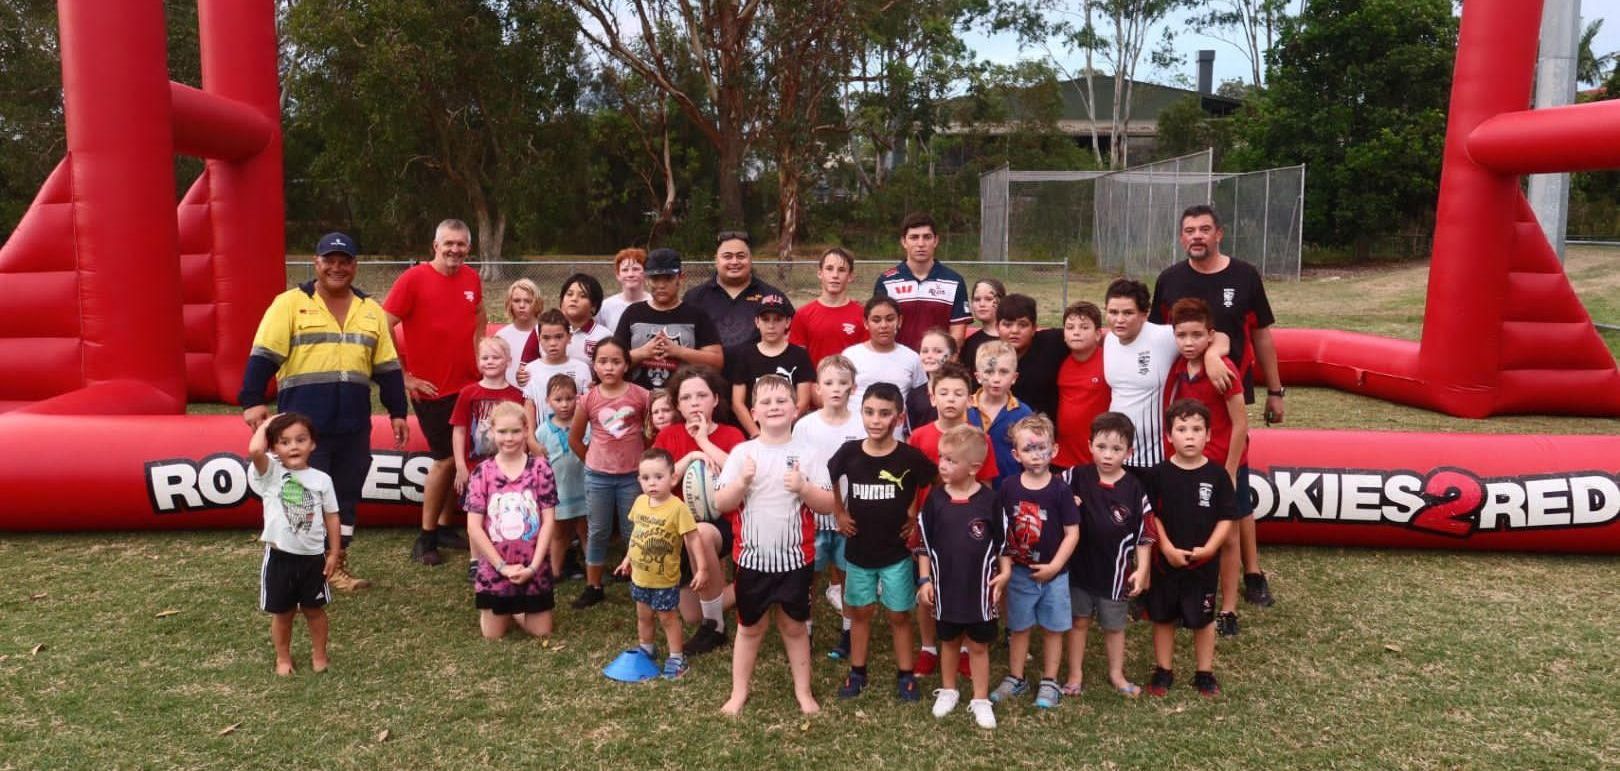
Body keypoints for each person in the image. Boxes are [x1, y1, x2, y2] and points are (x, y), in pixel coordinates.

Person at [242, 231, 407, 591]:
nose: (337, 267)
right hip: (302, 427)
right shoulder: (289, 304)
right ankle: (300, 566)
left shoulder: (370, 310)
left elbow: (388, 367)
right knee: (301, 495)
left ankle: (337, 562)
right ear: (315, 263)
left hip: (353, 424)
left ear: (355, 266)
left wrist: (397, 411)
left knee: (344, 495)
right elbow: (263, 355)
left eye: (344, 261)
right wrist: (252, 400)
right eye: (329, 260)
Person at [1150, 204, 1281, 608]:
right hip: (1186, 396)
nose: (1197, 236)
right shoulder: (1170, 279)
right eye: (1189, 230)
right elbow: (1159, 335)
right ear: (1181, 236)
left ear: (1219, 234)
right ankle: (1181, 572)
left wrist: (1275, 390)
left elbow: (1260, 335)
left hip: (1226, 392)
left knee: (1236, 499)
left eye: (1204, 229)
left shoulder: (1244, 275)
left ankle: (1253, 573)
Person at [712, 375, 834, 716]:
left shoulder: (810, 454)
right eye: (765, 402)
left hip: (795, 560)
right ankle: (738, 692)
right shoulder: (743, 453)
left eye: (782, 400)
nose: (774, 406)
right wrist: (742, 482)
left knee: (795, 626)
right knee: (750, 627)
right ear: (753, 413)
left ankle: (803, 691)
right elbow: (720, 502)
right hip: (752, 560)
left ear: (796, 409)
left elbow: (828, 505)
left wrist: (804, 488)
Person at [828, 383, 937, 703]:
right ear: (861, 413)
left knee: (898, 615)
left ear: (899, 417)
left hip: (896, 553)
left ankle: (905, 674)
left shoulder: (909, 457)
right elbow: (832, 475)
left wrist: (914, 515)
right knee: (860, 612)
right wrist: (839, 511)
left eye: (885, 413)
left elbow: (929, 481)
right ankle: (857, 671)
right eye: (869, 412)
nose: (876, 420)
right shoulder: (849, 452)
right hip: (859, 551)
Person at [385, 219, 485, 568]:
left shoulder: (471, 278)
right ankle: (425, 537)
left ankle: (443, 527)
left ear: (468, 248)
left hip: (467, 385)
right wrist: (404, 376)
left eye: (461, 244)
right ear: (435, 245)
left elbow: (479, 315)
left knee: (461, 454)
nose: (455, 250)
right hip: (432, 389)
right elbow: (383, 325)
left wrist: (480, 354)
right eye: (449, 243)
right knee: (445, 459)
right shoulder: (413, 279)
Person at [906, 360, 999, 677]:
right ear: (932, 397)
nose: (950, 399)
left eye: (958, 393)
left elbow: (986, 485)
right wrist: (912, 520)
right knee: (927, 589)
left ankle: (964, 648)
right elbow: (911, 485)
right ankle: (928, 647)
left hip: (969, 530)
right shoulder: (919, 437)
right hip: (930, 527)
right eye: (943, 392)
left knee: (966, 586)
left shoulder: (979, 440)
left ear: (970, 399)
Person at [1165, 298, 1249, 637]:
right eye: (1181, 335)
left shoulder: (1222, 367)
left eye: (1197, 335)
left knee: (1228, 537)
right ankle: (1188, 601)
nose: (1188, 342)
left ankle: (1228, 609)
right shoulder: (1177, 368)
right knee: (1190, 533)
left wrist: (1230, 471)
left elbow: (1240, 424)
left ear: (1210, 336)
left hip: (1222, 467)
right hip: (1188, 466)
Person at [916, 424, 1008, 729]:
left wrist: (1005, 572)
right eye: (941, 457)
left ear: (974, 468)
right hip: (945, 589)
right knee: (949, 641)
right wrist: (925, 580)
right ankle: (949, 690)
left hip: (980, 590)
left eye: (951, 460)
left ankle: (980, 699)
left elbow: (1003, 544)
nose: (942, 464)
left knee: (978, 646)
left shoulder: (990, 501)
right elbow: (924, 545)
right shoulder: (935, 500)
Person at [1143, 399, 1237, 698]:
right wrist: (1167, 547)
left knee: (1203, 619)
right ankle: (1163, 670)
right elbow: (1151, 516)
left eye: (1197, 429)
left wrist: (1210, 548)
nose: (1189, 436)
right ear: (1168, 435)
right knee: (1163, 617)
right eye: (1182, 429)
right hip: (1165, 562)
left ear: (1208, 435)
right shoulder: (1158, 475)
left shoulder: (1218, 475)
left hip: (1203, 565)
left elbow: (1226, 517)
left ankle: (1204, 673)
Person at [988, 415, 1080, 710]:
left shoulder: (1061, 490)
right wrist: (1005, 567)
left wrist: (1055, 567)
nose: (1036, 455)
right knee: (1019, 627)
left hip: (1055, 576)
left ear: (1054, 450)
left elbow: (1072, 533)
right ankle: (1016, 677)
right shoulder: (1008, 488)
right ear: (1016, 455)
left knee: (1053, 628)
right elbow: (1002, 531)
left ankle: (1050, 680)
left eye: (1042, 448)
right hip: (1020, 573)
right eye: (1028, 449)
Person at [652, 365, 746, 655]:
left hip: (722, 524)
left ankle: (715, 627)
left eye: (702, 395)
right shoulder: (669, 436)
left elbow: (741, 474)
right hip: (678, 528)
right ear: (678, 405)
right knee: (692, 614)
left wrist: (704, 440)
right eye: (686, 397)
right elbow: (658, 482)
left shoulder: (731, 434)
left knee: (701, 533)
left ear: (715, 399)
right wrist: (693, 454)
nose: (694, 403)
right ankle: (751, 587)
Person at [1063, 412, 1153, 697]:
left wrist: (1142, 569)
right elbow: (1048, 498)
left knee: (1114, 627)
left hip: (1115, 574)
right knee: (1078, 621)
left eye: (1116, 449)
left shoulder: (1134, 487)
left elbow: (1144, 533)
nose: (1107, 455)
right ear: (1090, 445)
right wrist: (1065, 501)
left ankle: (1117, 674)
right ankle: (1075, 674)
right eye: (1101, 447)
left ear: (1129, 452)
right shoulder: (1074, 476)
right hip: (1078, 570)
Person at [1103, 278, 1231, 474]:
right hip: (1118, 454)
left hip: (1156, 457)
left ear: (1144, 314)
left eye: (1128, 313)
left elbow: (1219, 336)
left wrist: (1212, 355)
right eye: (1113, 312)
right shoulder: (1110, 339)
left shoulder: (1163, 337)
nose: (1119, 320)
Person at [248, 412, 340, 676]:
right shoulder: (270, 474)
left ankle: (319, 655)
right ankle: (283, 658)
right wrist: (268, 423)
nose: (294, 446)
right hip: (280, 558)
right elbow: (255, 450)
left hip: (313, 558)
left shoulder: (322, 479)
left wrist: (333, 552)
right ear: (274, 448)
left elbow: (332, 516)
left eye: (301, 439)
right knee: (283, 613)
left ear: (313, 443)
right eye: (284, 441)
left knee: (314, 610)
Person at [792, 354, 868, 660]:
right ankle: (806, 630)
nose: (836, 388)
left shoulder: (862, 424)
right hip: (812, 514)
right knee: (807, 576)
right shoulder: (805, 425)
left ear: (853, 387)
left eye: (842, 382)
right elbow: (797, 468)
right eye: (829, 382)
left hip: (849, 516)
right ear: (817, 388)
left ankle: (848, 632)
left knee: (848, 576)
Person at [464, 402, 559, 643]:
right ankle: (505, 608)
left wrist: (533, 567)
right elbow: (474, 526)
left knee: (542, 632)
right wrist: (502, 567)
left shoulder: (541, 468)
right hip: (495, 568)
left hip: (533, 566)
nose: (509, 438)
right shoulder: (482, 473)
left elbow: (548, 521)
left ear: (526, 430)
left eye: (516, 431)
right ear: (492, 432)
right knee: (492, 635)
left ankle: (517, 610)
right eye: (503, 432)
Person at [614, 448, 712, 680]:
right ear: (639, 480)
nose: (652, 483)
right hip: (640, 577)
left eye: (659, 477)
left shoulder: (678, 508)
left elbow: (693, 538)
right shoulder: (640, 502)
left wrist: (702, 568)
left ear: (673, 477)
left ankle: (677, 658)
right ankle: (646, 649)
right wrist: (628, 558)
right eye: (646, 478)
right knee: (643, 615)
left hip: (664, 580)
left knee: (667, 617)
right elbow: (637, 534)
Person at [569, 338, 651, 609]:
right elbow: (575, 439)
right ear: (594, 365)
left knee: (633, 530)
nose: (609, 367)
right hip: (598, 477)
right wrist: (592, 462)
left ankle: (639, 581)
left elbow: (651, 431)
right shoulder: (588, 399)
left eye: (616, 361)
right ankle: (593, 586)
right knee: (598, 530)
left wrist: (644, 461)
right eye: (603, 361)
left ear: (627, 365)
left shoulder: (641, 396)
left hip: (632, 476)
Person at [451, 336, 540, 580]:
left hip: (509, 465)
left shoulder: (517, 395)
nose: (490, 362)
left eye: (496, 357)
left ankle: (506, 553)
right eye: (485, 358)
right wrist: (460, 465)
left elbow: (525, 430)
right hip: (475, 464)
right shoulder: (468, 393)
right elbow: (459, 430)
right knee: (476, 512)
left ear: (508, 361)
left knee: (503, 508)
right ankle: (475, 559)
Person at [616, 248, 724, 391]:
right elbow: (612, 360)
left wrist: (678, 351)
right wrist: (643, 352)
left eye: (668, 278)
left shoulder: (696, 315)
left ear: (680, 278)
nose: (661, 285)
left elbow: (717, 362)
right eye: (655, 279)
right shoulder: (633, 313)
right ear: (647, 280)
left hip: (683, 398)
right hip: (638, 397)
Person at [873, 212, 972, 350]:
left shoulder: (954, 281)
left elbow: (958, 333)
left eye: (927, 237)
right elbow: (878, 329)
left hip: (938, 362)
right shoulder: (886, 281)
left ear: (935, 241)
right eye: (914, 237)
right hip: (898, 362)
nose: (921, 244)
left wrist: (941, 360)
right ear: (904, 242)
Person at [684, 230, 793, 349]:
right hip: (708, 361)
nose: (734, 262)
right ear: (716, 260)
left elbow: (792, 336)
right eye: (727, 256)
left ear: (750, 259)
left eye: (741, 256)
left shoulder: (772, 296)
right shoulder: (694, 298)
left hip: (757, 362)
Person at [726, 296, 813, 436]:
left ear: (788, 322)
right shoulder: (744, 355)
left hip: (789, 432)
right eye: (765, 319)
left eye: (777, 320)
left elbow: (803, 401)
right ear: (757, 322)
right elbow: (737, 403)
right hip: (755, 432)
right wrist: (756, 434)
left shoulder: (799, 355)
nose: (771, 326)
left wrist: (782, 428)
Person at [842, 296, 927, 428]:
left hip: (895, 435)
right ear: (866, 323)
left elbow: (921, 401)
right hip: (854, 433)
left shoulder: (912, 358)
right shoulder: (850, 356)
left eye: (890, 319)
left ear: (899, 321)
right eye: (876, 320)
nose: (883, 325)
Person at [535, 374, 588, 584]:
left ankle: (593, 568)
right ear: (548, 401)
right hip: (558, 491)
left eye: (569, 399)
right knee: (558, 533)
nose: (564, 404)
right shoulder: (542, 431)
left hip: (584, 488)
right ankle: (554, 572)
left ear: (577, 398)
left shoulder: (584, 425)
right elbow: (538, 463)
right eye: (558, 399)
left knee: (586, 530)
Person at [789, 247, 868, 372]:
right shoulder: (803, 315)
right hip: (814, 384)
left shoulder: (863, 315)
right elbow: (797, 361)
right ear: (820, 273)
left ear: (850, 276)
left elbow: (866, 359)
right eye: (829, 269)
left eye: (841, 270)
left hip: (851, 383)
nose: (835, 275)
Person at [1053, 301, 1110, 470]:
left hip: (1097, 457)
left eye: (1084, 327)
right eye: (1070, 327)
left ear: (1098, 334)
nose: (1076, 332)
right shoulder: (1059, 362)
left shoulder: (1109, 361)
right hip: (1062, 457)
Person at [968, 340, 1033, 489]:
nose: (996, 379)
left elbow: (1031, 456)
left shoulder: (1023, 413)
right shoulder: (964, 408)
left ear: (1014, 377)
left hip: (1010, 489)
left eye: (1003, 372)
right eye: (989, 372)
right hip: (969, 490)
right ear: (978, 376)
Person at [995, 294, 1069, 421]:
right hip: (1003, 428)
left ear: (1034, 328)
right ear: (997, 327)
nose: (1015, 330)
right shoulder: (987, 354)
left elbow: (1082, 334)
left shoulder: (1052, 343)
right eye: (1007, 324)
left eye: (1023, 325)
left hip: (1044, 428)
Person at [520, 309, 594, 426]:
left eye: (559, 337)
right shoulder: (531, 369)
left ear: (569, 337)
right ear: (539, 339)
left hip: (575, 434)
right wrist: (531, 436)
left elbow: (588, 406)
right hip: (541, 435)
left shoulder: (581, 368)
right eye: (546, 338)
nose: (553, 343)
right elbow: (529, 406)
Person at [906, 328, 957, 435]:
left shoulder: (961, 391)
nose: (929, 356)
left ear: (952, 357)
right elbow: (911, 433)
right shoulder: (914, 395)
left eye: (938, 351)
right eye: (925, 351)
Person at [495, 278, 543, 385]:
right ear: (510, 303)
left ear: (537, 303)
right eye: (516, 301)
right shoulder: (501, 336)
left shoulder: (546, 334)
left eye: (528, 301)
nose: (522, 305)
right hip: (509, 392)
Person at [957, 278, 1006, 375]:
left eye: (988, 299)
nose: (982, 304)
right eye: (977, 299)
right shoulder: (969, 344)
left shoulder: (1013, 338)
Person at [598, 247, 648, 333]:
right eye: (625, 270)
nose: (630, 274)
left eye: (635, 269)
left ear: (645, 273)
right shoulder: (605, 307)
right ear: (618, 275)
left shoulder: (654, 303)